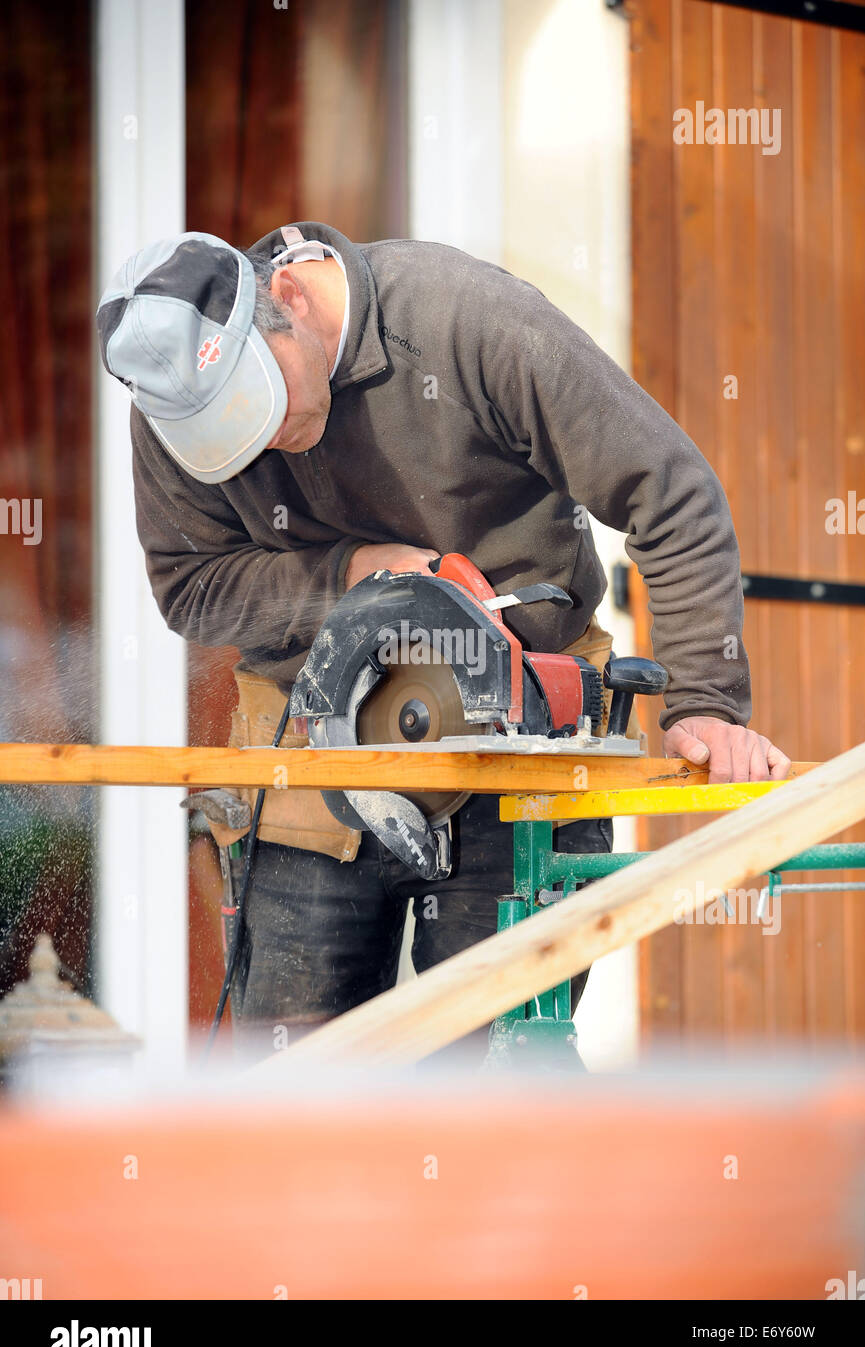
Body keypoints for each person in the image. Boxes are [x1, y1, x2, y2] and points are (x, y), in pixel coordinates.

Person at [96, 222, 791, 1060]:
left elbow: (669, 492)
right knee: (296, 1080)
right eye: (229, 431)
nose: (263, 437)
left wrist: (704, 703)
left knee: (497, 1071)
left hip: (521, 734)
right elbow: (191, 584)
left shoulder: (466, 322)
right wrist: (354, 575)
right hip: (311, 749)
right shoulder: (176, 402)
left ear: (287, 298)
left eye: (264, 399)